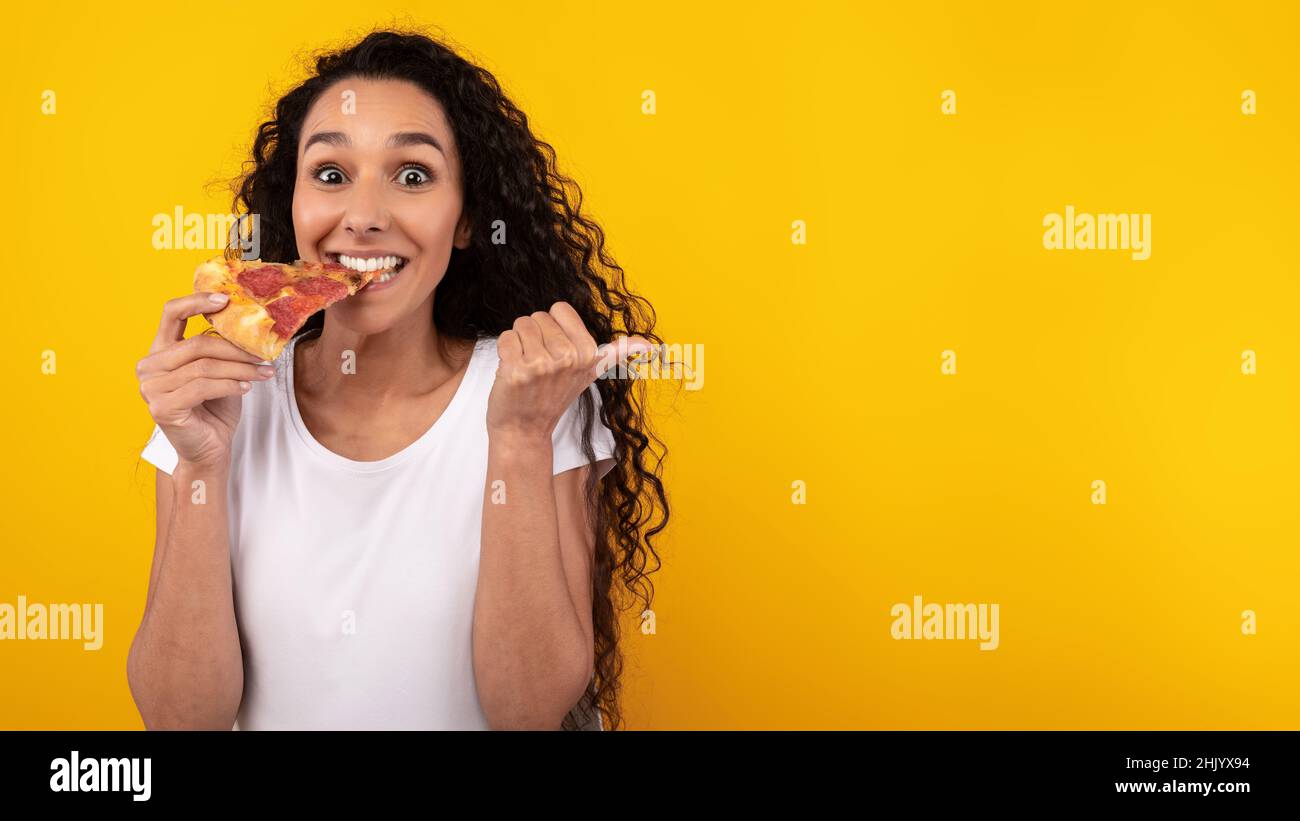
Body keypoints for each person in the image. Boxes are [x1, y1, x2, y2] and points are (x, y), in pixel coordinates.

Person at [127, 29, 670, 730]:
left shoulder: (533, 394)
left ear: (467, 217)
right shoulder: (214, 400)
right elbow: (178, 720)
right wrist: (201, 462)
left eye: (412, 175)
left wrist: (518, 437)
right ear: (292, 206)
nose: (365, 216)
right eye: (330, 174)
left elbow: (529, 711)